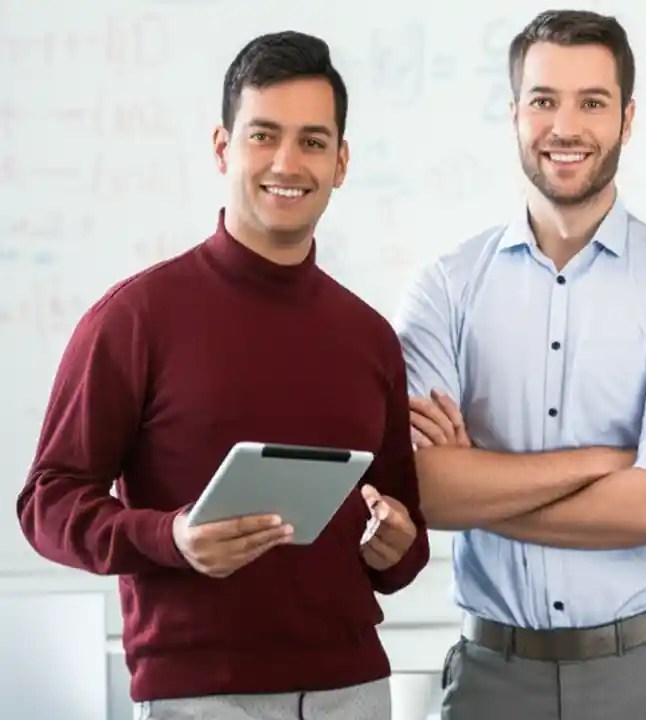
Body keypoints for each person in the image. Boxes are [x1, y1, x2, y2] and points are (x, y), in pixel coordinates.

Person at [15, 31, 430, 720]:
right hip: (199, 697)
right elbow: (47, 503)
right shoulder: (136, 317)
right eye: (263, 135)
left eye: (313, 141)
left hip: (354, 690)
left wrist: (397, 545)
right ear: (222, 147)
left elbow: (401, 545)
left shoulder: (369, 337)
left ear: (341, 162)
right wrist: (170, 538)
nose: (287, 163)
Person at [394, 9, 646, 720]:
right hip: (491, 678)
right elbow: (423, 490)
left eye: (592, 102)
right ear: (515, 113)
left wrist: (482, 484)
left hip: (642, 675)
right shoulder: (447, 288)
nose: (565, 126)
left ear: (627, 118)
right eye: (544, 100)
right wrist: (606, 462)